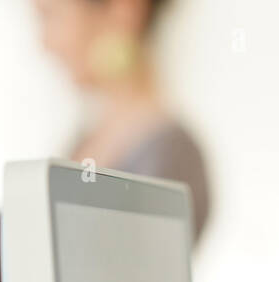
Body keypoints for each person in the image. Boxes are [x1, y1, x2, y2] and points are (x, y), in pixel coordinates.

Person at [34, 0, 211, 243]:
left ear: (124, 10)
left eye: (50, 15)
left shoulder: (170, 154)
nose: (44, 43)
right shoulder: (87, 136)